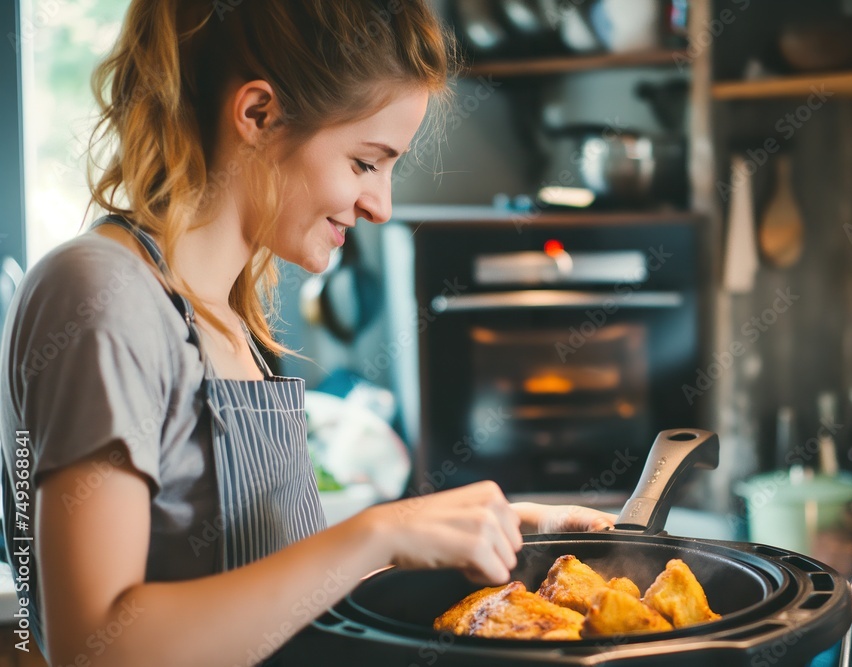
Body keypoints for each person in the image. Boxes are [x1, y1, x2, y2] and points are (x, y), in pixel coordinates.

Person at [0, 2, 615, 665]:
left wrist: (482, 530)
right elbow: (93, 646)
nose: (382, 205)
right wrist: (379, 531)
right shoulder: (103, 294)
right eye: (364, 162)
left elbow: (269, 594)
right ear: (258, 115)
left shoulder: (227, 318)